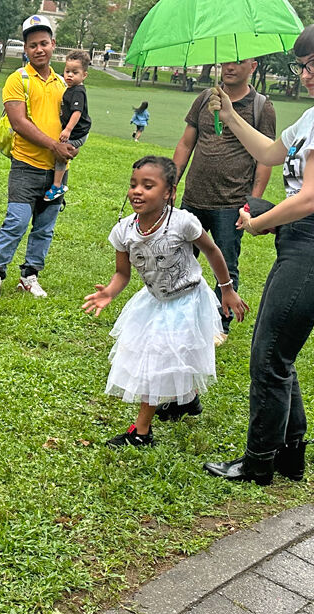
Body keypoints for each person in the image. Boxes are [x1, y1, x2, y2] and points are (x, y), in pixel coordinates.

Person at [203, 19, 314, 484]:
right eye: (302, 66)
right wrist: (233, 114)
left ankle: (259, 464)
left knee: (269, 357)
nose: (308, 73)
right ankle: (290, 454)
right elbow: (274, 153)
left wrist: (258, 221)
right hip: (306, 243)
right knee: (279, 353)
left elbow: (312, 196)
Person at [82, 156, 247, 447]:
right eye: (134, 185)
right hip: (154, 300)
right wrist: (109, 291)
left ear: (169, 192)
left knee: (158, 359)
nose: (137, 191)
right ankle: (187, 401)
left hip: (188, 299)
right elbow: (123, 273)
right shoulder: (124, 231)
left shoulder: (182, 222)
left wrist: (227, 290)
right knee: (166, 356)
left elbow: (212, 251)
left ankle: (141, 433)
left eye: (148, 185)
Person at [172, 58, 275, 348]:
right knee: (180, 258)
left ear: (253, 66)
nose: (231, 67)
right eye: (227, 62)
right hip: (194, 197)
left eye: (239, 62)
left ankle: (220, 324)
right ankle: (178, 314)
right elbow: (186, 142)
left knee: (226, 265)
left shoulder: (261, 106)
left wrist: (252, 203)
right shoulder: (206, 98)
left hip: (231, 202)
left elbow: (265, 157)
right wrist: (172, 181)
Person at [0, 15, 74, 301]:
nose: (39, 49)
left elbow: (75, 121)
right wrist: (53, 145)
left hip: (57, 169)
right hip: (26, 165)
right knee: (17, 222)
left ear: (53, 44)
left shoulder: (63, 83)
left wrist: (72, 145)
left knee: (45, 228)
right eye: (33, 45)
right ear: (25, 49)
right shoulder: (16, 80)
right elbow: (19, 122)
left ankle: (29, 276)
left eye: (44, 43)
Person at [45, 49, 90, 201]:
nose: (70, 75)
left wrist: (68, 130)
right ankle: (72, 152)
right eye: (67, 71)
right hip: (77, 132)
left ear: (84, 75)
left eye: (75, 72)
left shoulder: (78, 91)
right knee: (62, 149)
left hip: (78, 133)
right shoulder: (70, 89)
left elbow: (77, 112)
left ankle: (57, 185)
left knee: (61, 152)